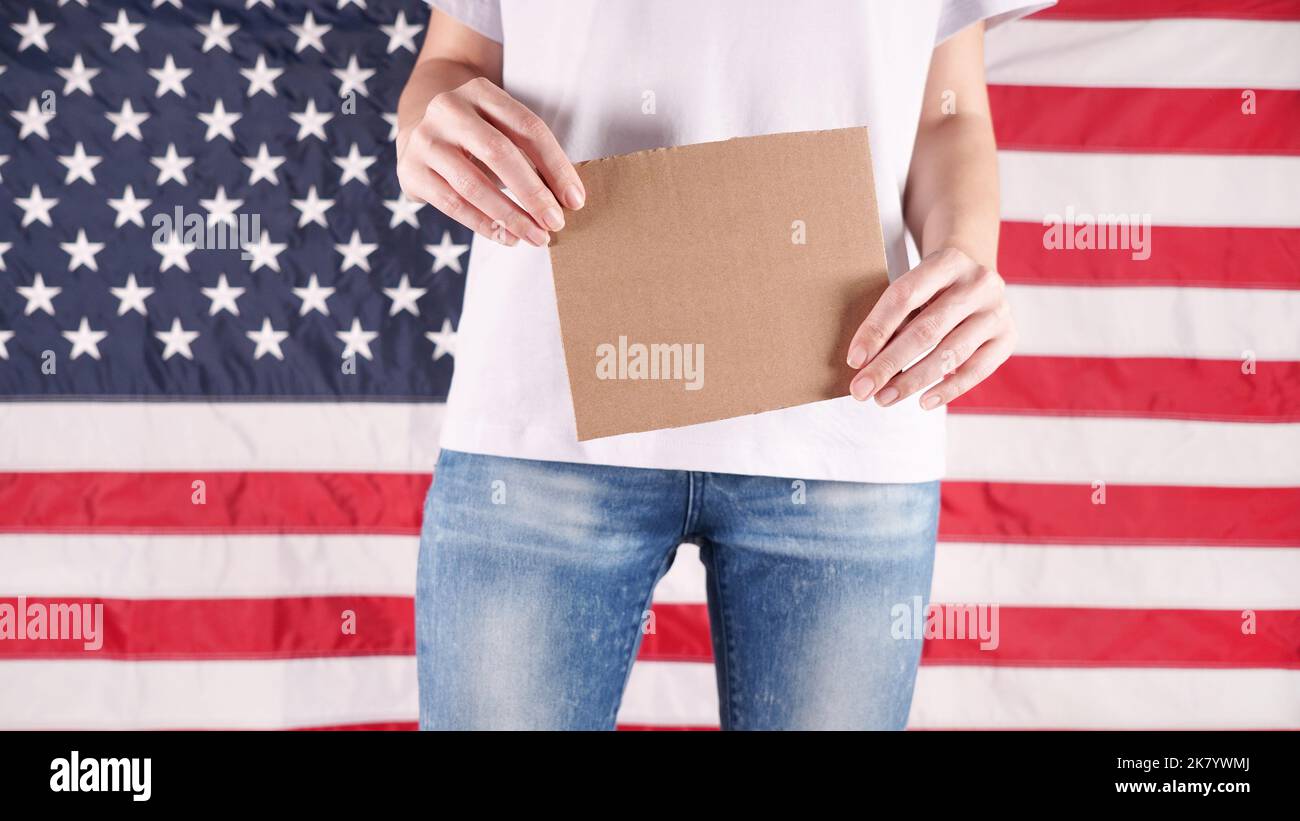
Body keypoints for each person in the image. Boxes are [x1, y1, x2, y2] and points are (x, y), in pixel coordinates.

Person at [396, 0, 1048, 730]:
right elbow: (452, 65)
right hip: (546, 410)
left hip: (844, 412)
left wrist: (967, 257)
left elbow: (945, 114)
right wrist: (424, 127)